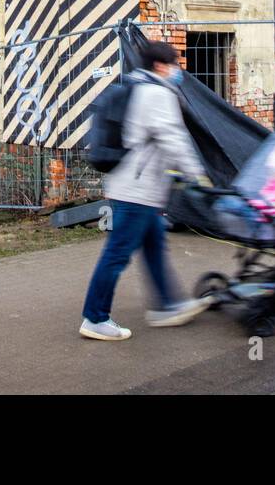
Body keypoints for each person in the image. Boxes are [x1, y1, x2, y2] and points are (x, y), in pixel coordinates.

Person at [80, 39, 210, 340]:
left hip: (134, 188)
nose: (178, 70)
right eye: (175, 64)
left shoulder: (135, 87)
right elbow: (173, 139)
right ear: (161, 66)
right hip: (137, 191)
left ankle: (167, 305)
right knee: (117, 254)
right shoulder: (156, 94)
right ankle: (94, 317)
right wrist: (197, 175)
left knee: (153, 247)